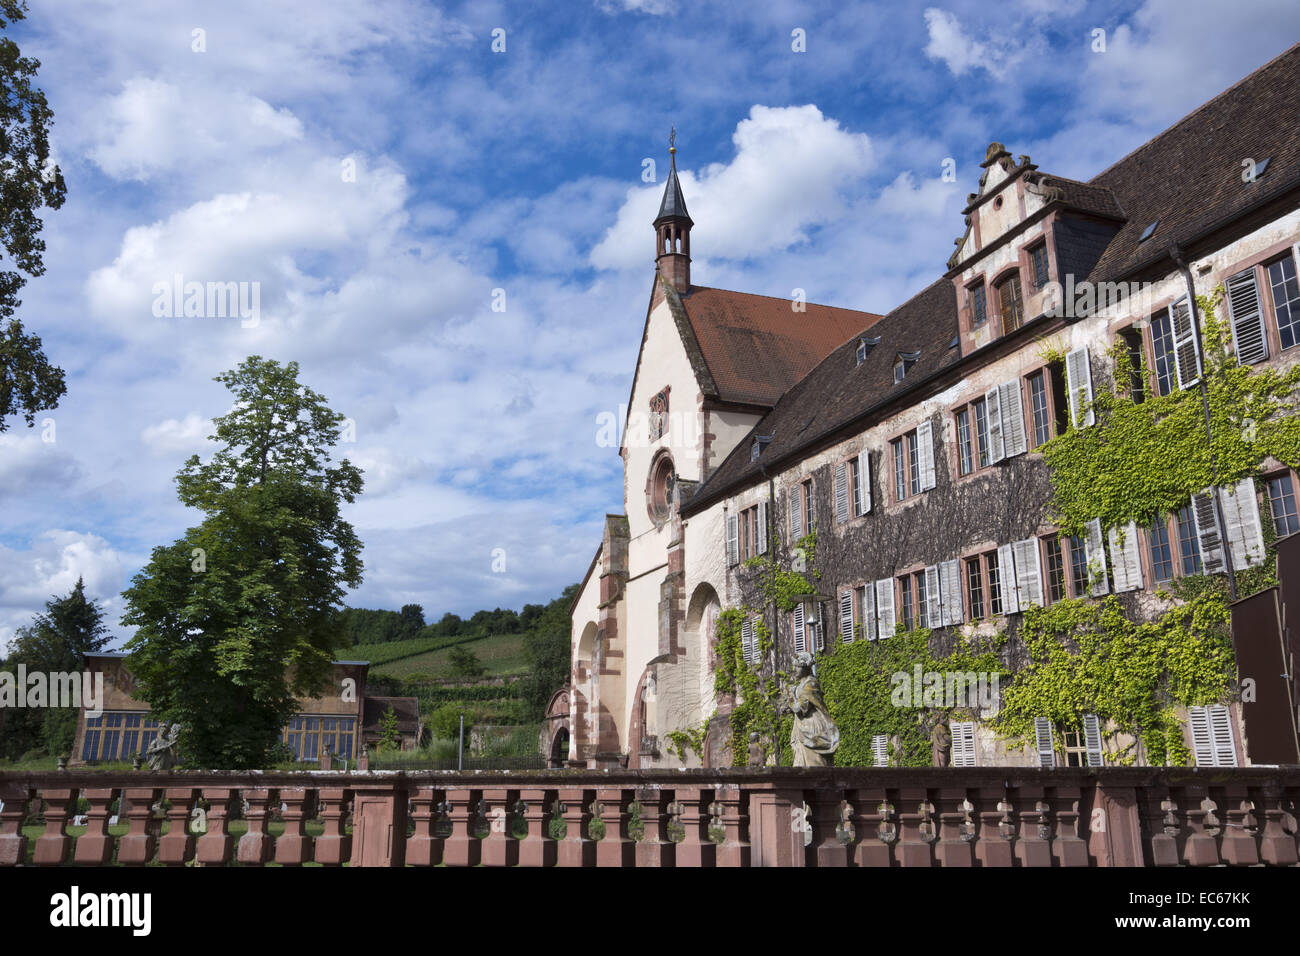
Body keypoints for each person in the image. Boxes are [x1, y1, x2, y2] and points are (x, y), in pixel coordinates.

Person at [784, 653, 840, 767]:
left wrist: (790, 695)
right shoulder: (801, 685)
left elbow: (798, 708)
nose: (794, 670)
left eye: (797, 667)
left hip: (811, 727)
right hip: (802, 726)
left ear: (805, 668)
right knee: (801, 763)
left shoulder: (811, 683)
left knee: (814, 763)